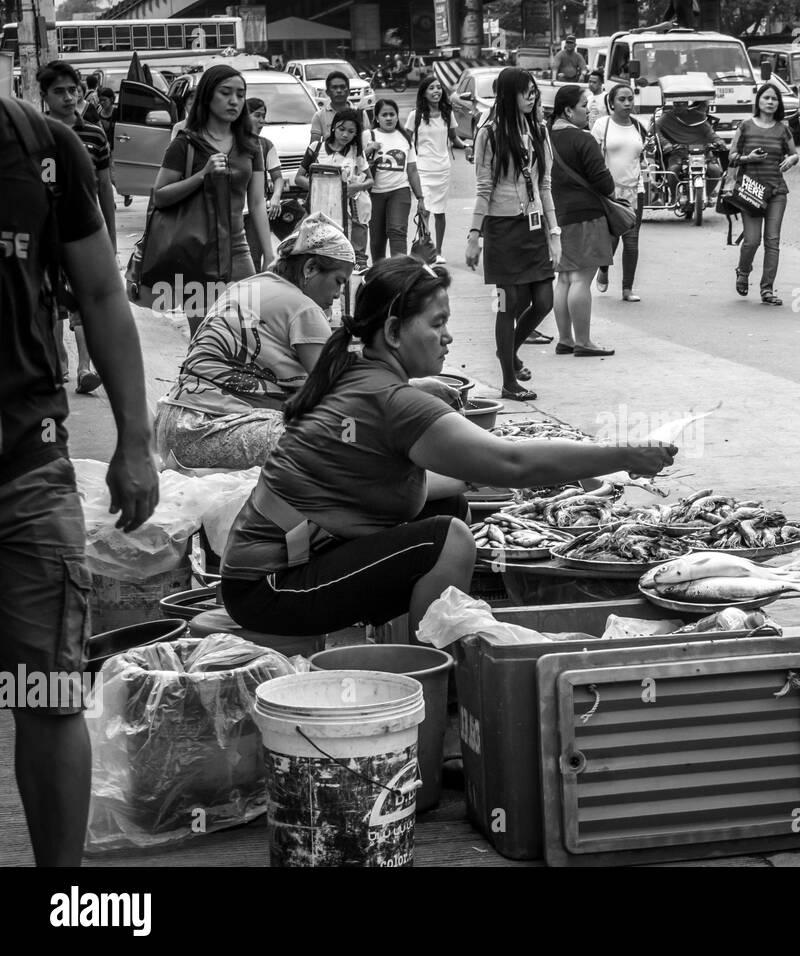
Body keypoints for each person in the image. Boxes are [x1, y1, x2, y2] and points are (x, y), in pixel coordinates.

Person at [219, 256, 676, 639]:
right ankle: (433, 665)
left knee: (452, 504)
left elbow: (436, 469)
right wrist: (622, 455)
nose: (448, 337)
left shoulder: (360, 373)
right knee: (448, 540)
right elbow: (509, 461)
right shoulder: (392, 401)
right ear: (395, 331)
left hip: (270, 572)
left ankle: (422, 638)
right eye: (437, 324)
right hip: (270, 588)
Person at [0, 94, 158, 866]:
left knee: (48, 691)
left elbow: (101, 294)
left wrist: (136, 441)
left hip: (25, 466)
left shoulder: (42, 148)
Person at [154, 214, 354, 471]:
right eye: (338, 281)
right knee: (339, 438)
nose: (337, 295)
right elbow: (337, 391)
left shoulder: (250, 286)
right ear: (310, 268)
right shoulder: (304, 309)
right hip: (205, 429)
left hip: (170, 424)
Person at [153, 65, 275, 338]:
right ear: (208, 96)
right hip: (195, 253)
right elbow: (159, 196)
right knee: (205, 337)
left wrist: (269, 252)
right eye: (226, 93)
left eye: (240, 95)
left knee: (245, 335)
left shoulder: (251, 145)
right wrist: (202, 175)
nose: (234, 101)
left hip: (239, 251)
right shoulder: (184, 144)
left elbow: (256, 203)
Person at [466, 68, 561, 402]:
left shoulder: (538, 130)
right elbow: (483, 187)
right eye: (525, 91)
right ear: (508, 95)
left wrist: (554, 231)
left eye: (534, 91)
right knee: (507, 306)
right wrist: (474, 234)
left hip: (533, 229)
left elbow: (545, 184)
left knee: (544, 301)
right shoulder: (489, 134)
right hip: (502, 230)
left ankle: (508, 352)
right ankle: (509, 380)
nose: (532, 96)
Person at [39, 61, 114, 395]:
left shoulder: (95, 135)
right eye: (59, 92)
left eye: (73, 90)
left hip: (84, 235)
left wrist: (109, 241)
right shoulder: (34, 135)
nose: (68, 97)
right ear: (45, 96)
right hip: (44, 235)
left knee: (84, 304)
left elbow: (104, 191)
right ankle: (58, 367)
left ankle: (85, 368)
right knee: (52, 304)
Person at [549, 85, 616, 357]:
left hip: (556, 214)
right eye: (583, 106)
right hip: (586, 215)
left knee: (564, 278)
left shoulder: (543, 138)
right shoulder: (583, 139)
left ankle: (565, 338)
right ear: (568, 110)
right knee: (581, 279)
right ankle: (584, 341)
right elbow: (604, 182)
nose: (588, 112)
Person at [729, 82, 797, 307]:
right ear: (758, 101)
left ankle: (767, 289)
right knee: (752, 240)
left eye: (774, 99)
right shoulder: (746, 126)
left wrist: (791, 159)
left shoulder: (783, 129)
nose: (770, 102)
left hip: (776, 191)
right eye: (766, 98)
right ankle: (743, 270)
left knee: (772, 241)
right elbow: (732, 156)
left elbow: (794, 153)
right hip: (751, 191)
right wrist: (748, 158)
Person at [591, 83, 647, 302]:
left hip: (635, 190)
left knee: (632, 241)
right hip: (609, 192)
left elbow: (642, 158)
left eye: (630, 99)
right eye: (621, 99)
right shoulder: (601, 125)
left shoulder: (640, 126)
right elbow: (594, 159)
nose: (627, 103)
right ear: (611, 102)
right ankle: (603, 268)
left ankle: (627, 289)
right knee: (611, 238)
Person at [297, 109, 371, 270]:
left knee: (342, 254)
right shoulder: (316, 147)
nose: (345, 135)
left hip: (346, 213)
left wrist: (357, 186)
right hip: (317, 210)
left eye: (351, 132)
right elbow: (299, 177)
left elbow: (370, 180)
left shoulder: (356, 151)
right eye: (342, 129)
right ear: (333, 128)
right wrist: (322, 187)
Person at [407, 75, 467, 265]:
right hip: (422, 169)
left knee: (440, 212)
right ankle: (427, 249)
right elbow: (405, 140)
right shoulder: (414, 115)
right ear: (424, 93)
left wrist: (467, 147)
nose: (436, 91)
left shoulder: (446, 114)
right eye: (431, 88)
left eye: (439, 88)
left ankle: (438, 252)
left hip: (442, 169)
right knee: (424, 210)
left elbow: (454, 139)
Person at [364, 98, 425, 264]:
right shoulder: (368, 135)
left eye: (392, 114)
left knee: (397, 231)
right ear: (376, 118)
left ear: (398, 117)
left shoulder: (405, 137)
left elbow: (412, 170)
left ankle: (400, 273)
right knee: (377, 238)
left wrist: (420, 197)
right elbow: (356, 162)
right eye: (384, 115)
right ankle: (380, 273)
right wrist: (369, 149)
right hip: (374, 193)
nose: (389, 118)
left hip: (400, 191)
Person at [650, 96, 723, 214]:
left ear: (687, 103)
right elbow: (654, 129)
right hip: (678, 152)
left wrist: (718, 141)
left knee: (715, 170)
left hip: (701, 153)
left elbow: (710, 133)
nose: (678, 105)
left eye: (682, 103)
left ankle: (707, 195)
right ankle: (674, 196)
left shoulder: (698, 116)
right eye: (676, 103)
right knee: (673, 170)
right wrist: (665, 143)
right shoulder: (667, 117)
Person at [246, 97, 284, 271]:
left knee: (254, 258)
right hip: (234, 212)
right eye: (257, 115)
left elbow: (278, 177)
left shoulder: (266, 145)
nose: (262, 121)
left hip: (256, 212)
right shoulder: (229, 142)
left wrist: (276, 197)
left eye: (264, 116)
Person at [310, 70, 369, 142]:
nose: (339, 91)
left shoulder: (360, 114)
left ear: (348, 91)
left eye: (342, 87)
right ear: (327, 92)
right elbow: (314, 145)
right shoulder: (319, 116)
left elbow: (367, 142)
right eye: (334, 87)